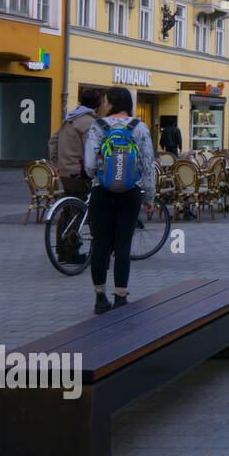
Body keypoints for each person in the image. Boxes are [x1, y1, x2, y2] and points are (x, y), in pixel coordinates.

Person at [82, 87, 156, 315]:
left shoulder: (98, 126)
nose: (103, 104)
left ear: (112, 102)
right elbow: (148, 164)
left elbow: (89, 164)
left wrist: (99, 177)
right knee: (123, 246)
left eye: (105, 101)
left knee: (100, 245)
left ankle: (100, 298)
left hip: (101, 193)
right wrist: (149, 197)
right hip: (129, 194)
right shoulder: (139, 127)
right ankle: (121, 297)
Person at [48, 88, 102, 264]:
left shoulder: (69, 119)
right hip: (79, 172)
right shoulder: (90, 123)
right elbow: (93, 148)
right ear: (97, 104)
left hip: (65, 171)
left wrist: (57, 163)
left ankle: (62, 252)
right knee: (80, 212)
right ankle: (72, 252)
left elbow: (53, 142)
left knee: (68, 210)